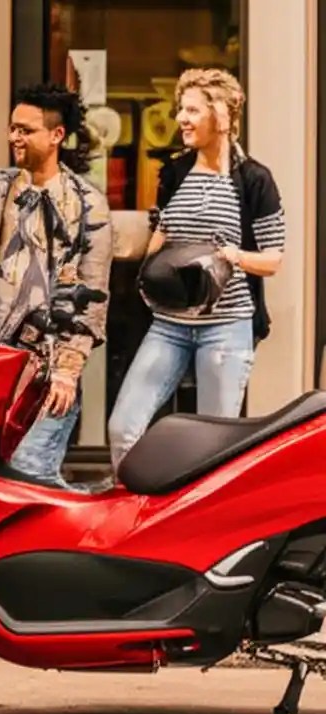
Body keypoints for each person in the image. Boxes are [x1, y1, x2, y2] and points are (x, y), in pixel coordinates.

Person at [107, 68, 284, 470]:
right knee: (123, 427)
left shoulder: (254, 180)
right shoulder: (174, 172)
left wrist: (232, 256)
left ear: (220, 115)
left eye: (191, 110)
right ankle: (134, 520)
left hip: (226, 327)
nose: (180, 119)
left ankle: (210, 529)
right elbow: (163, 231)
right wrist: (146, 270)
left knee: (214, 448)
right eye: (179, 110)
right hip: (168, 324)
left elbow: (272, 260)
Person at [0, 83, 113, 489]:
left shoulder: (88, 204)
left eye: (26, 130)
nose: (15, 137)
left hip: (46, 368)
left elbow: (92, 295)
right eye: (12, 128)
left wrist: (68, 371)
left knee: (29, 478)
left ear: (57, 135)